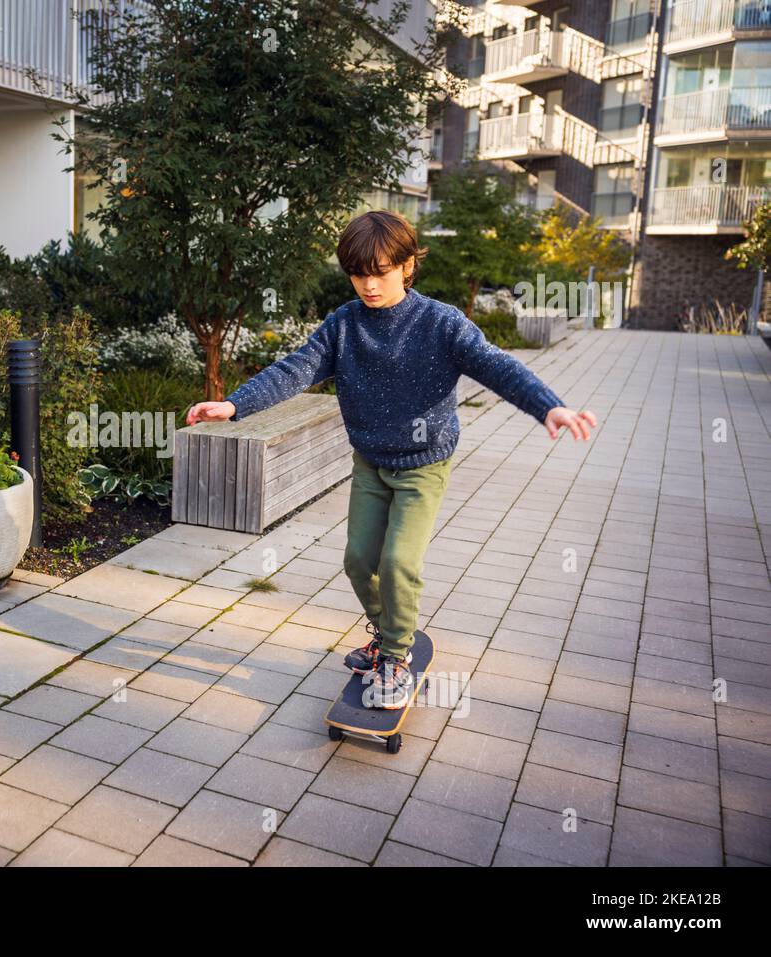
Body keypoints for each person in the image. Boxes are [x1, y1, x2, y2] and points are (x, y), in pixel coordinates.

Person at [186, 210, 598, 709]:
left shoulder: (440, 323)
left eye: (379, 272)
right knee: (360, 560)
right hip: (371, 462)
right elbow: (297, 368)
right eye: (358, 274)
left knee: (399, 561)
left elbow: (497, 365)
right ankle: (386, 633)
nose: (368, 285)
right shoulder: (344, 325)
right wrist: (235, 405)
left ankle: (396, 659)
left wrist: (547, 405)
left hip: (424, 464)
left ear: (407, 265)